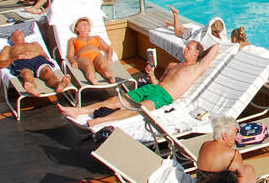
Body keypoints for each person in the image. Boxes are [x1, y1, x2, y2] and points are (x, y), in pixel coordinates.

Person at [59, 38, 223, 127]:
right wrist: (151, 75)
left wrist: (202, 51)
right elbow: (158, 82)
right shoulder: (173, 65)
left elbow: (215, 47)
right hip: (154, 87)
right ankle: (78, 111)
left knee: (139, 109)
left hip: (164, 96)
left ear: (196, 54)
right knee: (116, 100)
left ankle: (100, 121)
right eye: (186, 47)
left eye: (189, 48)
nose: (184, 49)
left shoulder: (196, 68)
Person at [0, 30, 72, 96]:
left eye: (21, 32)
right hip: (22, 62)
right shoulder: (9, 48)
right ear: (11, 38)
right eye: (16, 33)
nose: (20, 32)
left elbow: (46, 56)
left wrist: (34, 54)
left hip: (38, 59)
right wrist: (15, 58)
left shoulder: (34, 44)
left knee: (48, 71)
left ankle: (59, 85)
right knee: (27, 74)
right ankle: (32, 88)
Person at [66, 16, 114, 84]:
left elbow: (108, 48)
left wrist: (109, 57)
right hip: (83, 57)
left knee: (103, 65)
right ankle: (93, 79)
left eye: (87, 24)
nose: (85, 25)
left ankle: (109, 76)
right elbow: (70, 55)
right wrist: (73, 62)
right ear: (76, 29)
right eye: (82, 24)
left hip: (96, 54)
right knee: (88, 66)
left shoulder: (96, 37)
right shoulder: (73, 40)